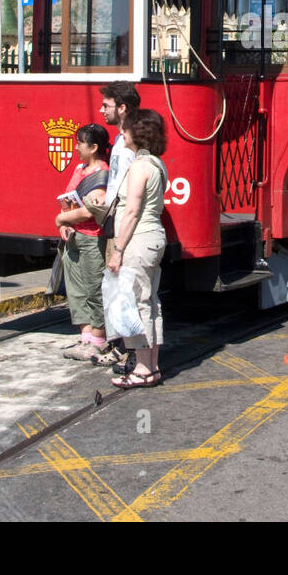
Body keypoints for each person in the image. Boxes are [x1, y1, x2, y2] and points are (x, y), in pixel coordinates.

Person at [105, 107, 168, 388]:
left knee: (135, 304)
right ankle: (151, 366)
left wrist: (117, 250)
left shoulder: (139, 167)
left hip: (138, 240)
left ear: (137, 133)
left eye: (125, 128)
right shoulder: (156, 163)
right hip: (154, 238)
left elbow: (131, 211)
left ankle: (142, 368)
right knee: (150, 302)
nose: (121, 132)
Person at [55, 123, 109, 360]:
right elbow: (71, 200)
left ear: (94, 147)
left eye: (79, 143)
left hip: (92, 238)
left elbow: (90, 211)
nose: (76, 147)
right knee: (76, 290)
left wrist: (61, 218)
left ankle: (99, 339)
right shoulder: (79, 169)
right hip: (74, 236)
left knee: (94, 288)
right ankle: (85, 335)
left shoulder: (102, 173)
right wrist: (66, 222)